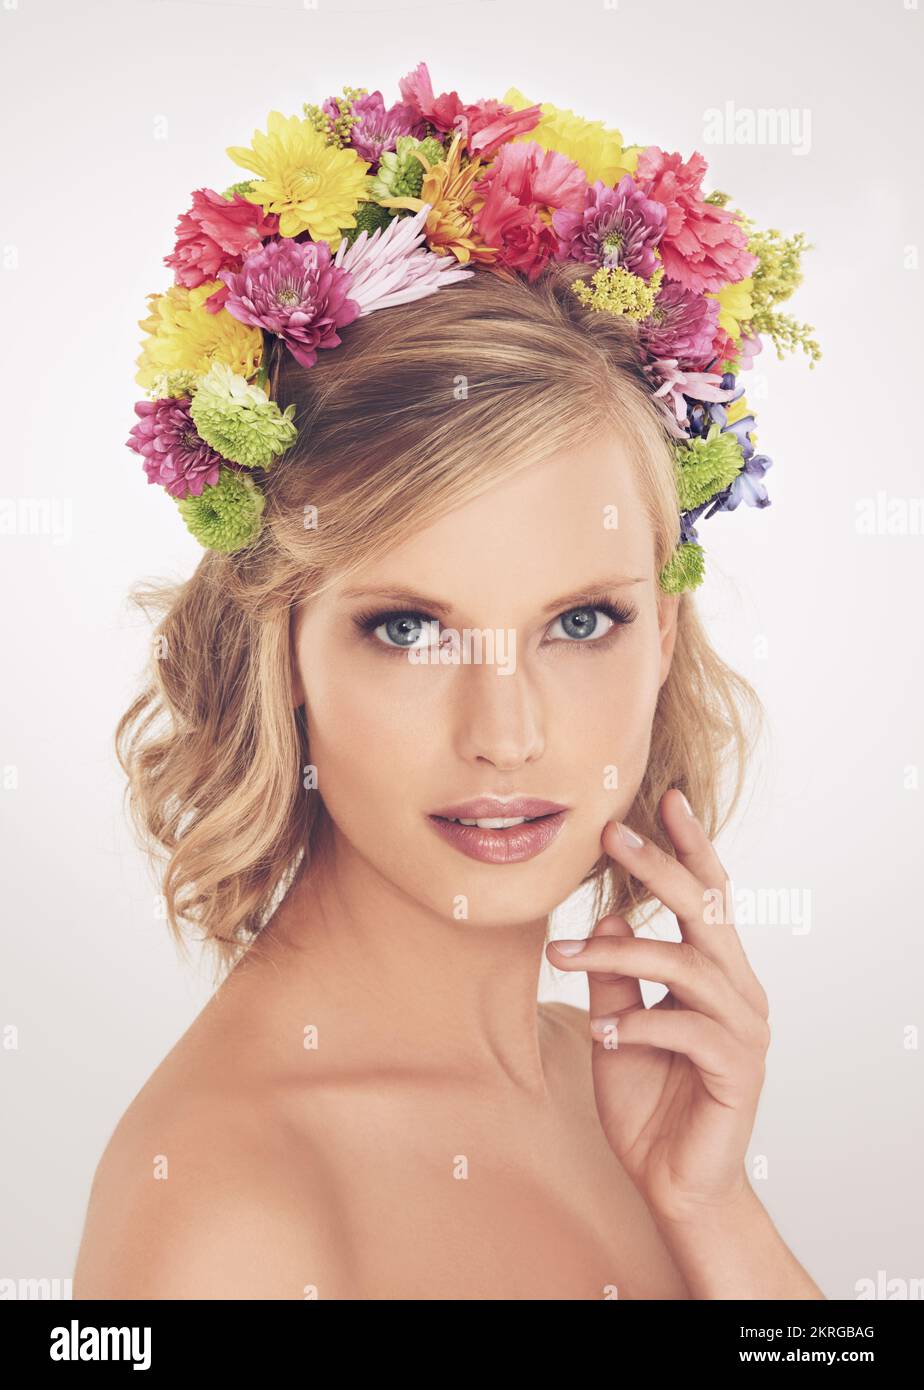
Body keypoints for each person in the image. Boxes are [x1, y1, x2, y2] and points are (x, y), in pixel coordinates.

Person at [73, 261, 823, 1299]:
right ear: (284, 648)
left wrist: (715, 1213)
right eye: (410, 628)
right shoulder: (230, 1210)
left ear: (663, 635)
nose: (507, 736)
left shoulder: (615, 1087)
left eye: (580, 621)